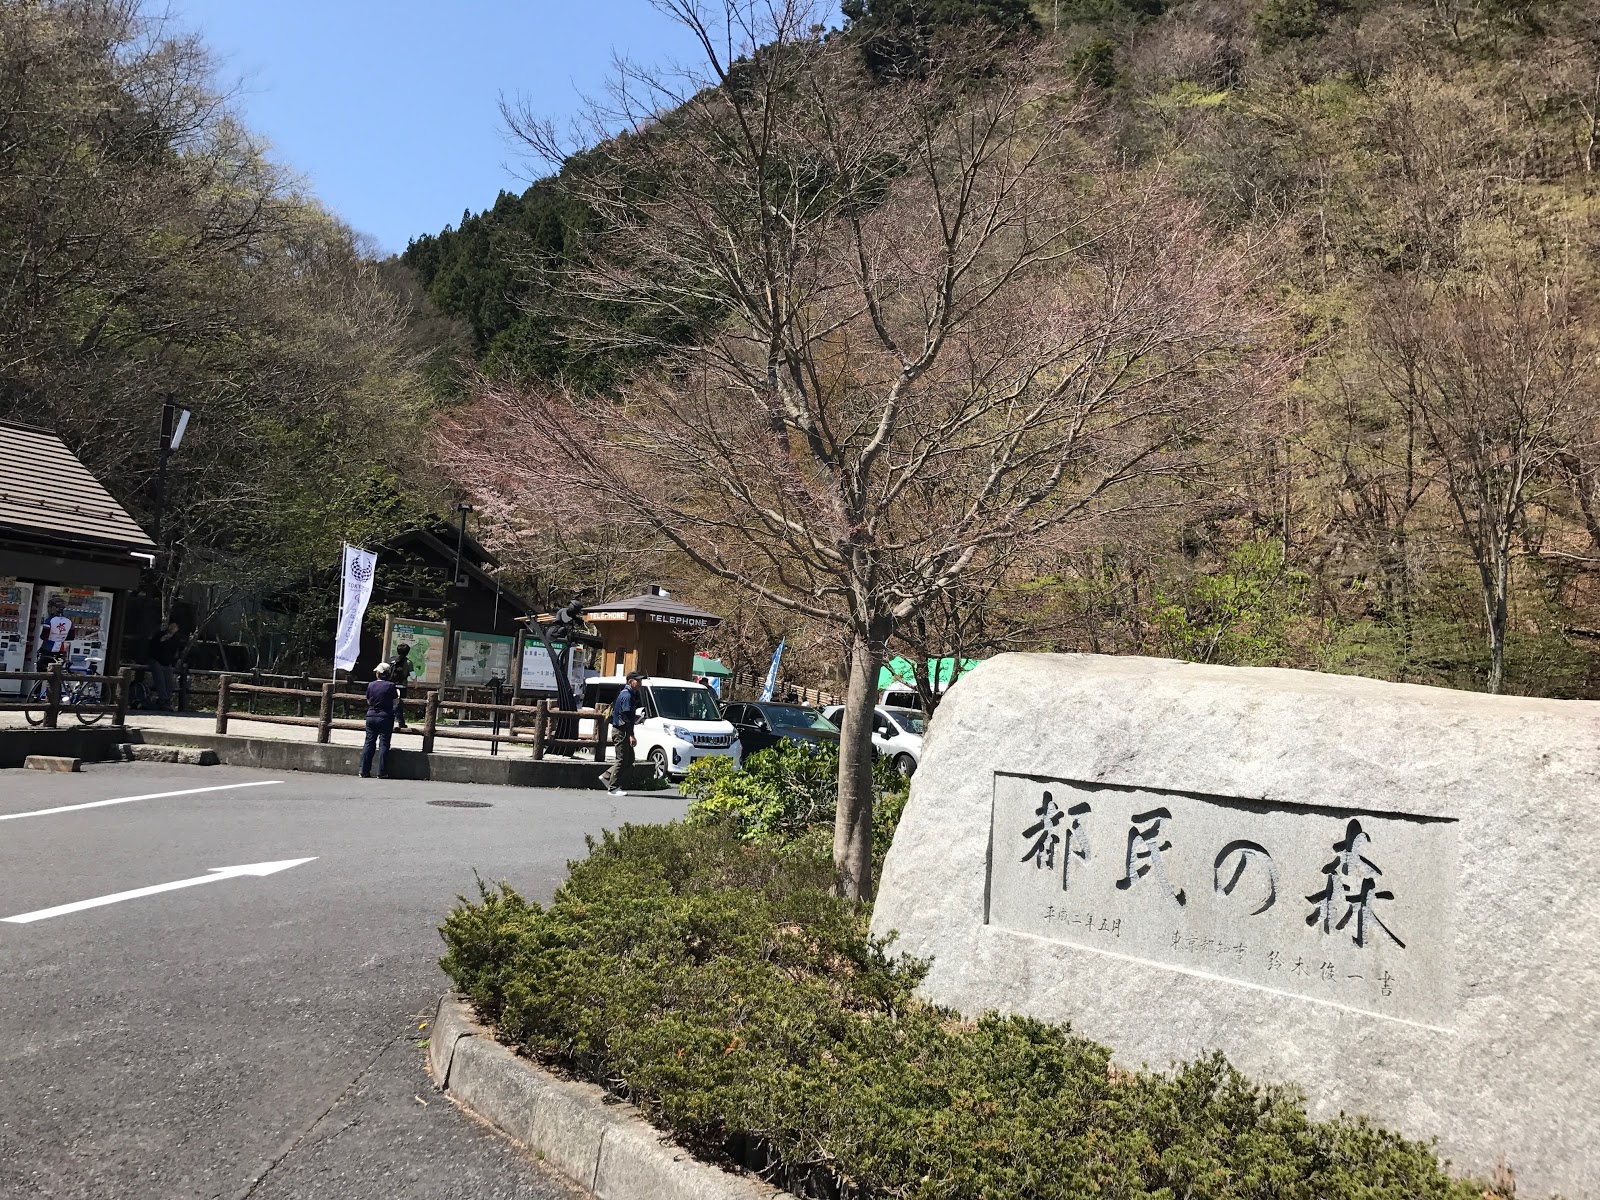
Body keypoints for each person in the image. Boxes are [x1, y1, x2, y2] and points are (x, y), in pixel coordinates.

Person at [600, 671, 645, 796]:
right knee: (621, 759)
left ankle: (607, 776)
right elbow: (625, 716)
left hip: (623, 730)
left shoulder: (629, 694)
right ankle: (613, 788)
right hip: (622, 731)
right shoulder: (627, 696)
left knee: (629, 759)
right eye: (638, 681)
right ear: (631, 682)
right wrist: (631, 734)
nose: (641, 683)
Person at [360, 662, 398, 779]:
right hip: (385, 716)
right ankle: (381, 771)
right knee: (384, 743)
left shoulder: (371, 685)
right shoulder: (391, 686)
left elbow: (368, 700)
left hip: (371, 715)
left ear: (378, 673)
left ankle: (363, 770)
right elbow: (395, 701)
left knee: (369, 742)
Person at [146, 620, 182, 710]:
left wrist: (174, 662)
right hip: (156, 661)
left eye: (175, 627)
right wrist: (162, 640)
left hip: (167, 663)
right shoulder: (159, 634)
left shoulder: (176, 639)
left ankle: (167, 700)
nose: (173, 628)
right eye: (172, 626)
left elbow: (176, 652)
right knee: (160, 681)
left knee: (170, 682)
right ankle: (163, 700)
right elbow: (152, 646)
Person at [36, 594, 72, 670]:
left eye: (49, 607)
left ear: (54, 608)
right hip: (61, 650)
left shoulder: (49, 620)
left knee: (41, 672)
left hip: (47, 649)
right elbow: (71, 637)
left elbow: (43, 636)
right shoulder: (69, 621)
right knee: (57, 673)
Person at [390, 642, 414, 729]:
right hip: (402, 686)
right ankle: (401, 722)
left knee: (391, 703)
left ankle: (392, 720)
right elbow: (412, 674)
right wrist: (416, 683)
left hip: (391, 685)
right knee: (399, 704)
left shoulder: (392, 660)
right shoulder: (408, 662)